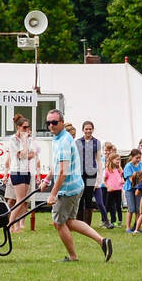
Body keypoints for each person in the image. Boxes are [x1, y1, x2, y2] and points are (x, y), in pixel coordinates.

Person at [40, 109, 111, 263]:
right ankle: (102, 241)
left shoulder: (64, 141)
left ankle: (73, 256)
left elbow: (63, 172)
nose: (51, 125)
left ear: (61, 123)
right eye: (48, 123)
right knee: (70, 222)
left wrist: (53, 193)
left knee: (58, 223)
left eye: (54, 122)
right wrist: (46, 180)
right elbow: (56, 165)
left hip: (68, 189)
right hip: (75, 186)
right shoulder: (57, 138)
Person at [2, 115, 39, 234]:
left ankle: (16, 225)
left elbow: (32, 154)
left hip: (26, 171)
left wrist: (25, 151)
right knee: (19, 200)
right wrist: (24, 144)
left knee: (23, 201)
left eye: (28, 127)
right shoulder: (13, 140)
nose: (27, 130)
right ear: (18, 127)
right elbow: (22, 155)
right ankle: (9, 224)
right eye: (24, 127)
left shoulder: (29, 139)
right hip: (17, 171)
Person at [76, 120, 102, 225]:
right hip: (80, 173)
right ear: (83, 130)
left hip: (91, 173)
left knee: (89, 196)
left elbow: (98, 159)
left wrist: (100, 176)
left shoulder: (97, 142)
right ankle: (79, 222)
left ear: (93, 130)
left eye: (90, 129)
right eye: (86, 129)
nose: (88, 131)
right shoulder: (78, 142)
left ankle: (87, 224)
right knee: (80, 196)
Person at [123, 149, 142, 233]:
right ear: (132, 157)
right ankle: (128, 227)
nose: (138, 160)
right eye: (137, 158)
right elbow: (131, 179)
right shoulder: (128, 166)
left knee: (138, 209)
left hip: (138, 189)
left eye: (139, 158)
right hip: (130, 189)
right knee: (131, 208)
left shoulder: (141, 165)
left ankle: (137, 228)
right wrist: (139, 184)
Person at [103, 153, 125, 229]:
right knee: (108, 206)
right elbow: (104, 181)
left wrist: (122, 180)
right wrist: (108, 187)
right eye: (117, 159)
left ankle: (119, 221)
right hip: (111, 191)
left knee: (119, 206)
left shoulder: (119, 169)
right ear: (112, 160)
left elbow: (122, 177)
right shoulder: (107, 170)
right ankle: (105, 221)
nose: (118, 161)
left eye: (119, 159)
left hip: (118, 190)